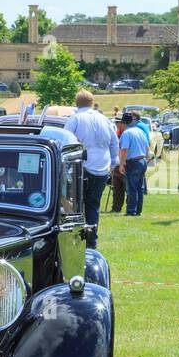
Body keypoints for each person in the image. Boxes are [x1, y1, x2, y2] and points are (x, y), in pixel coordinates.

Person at [65, 89, 120, 247]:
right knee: (93, 204)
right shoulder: (104, 119)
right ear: (91, 102)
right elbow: (114, 142)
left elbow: (65, 140)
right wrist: (113, 163)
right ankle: (91, 240)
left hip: (80, 167)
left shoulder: (75, 119)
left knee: (75, 205)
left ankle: (77, 239)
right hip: (102, 167)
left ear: (76, 103)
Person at [119, 110, 150, 216]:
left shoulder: (127, 133)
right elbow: (147, 148)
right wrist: (146, 159)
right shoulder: (140, 131)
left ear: (124, 123)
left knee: (131, 188)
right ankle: (138, 210)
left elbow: (124, 150)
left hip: (133, 162)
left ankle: (131, 210)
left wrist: (122, 163)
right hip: (142, 161)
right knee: (139, 188)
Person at [110, 115, 127, 213]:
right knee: (116, 188)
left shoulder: (125, 134)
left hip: (124, 163)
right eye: (116, 123)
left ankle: (130, 209)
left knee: (126, 187)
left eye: (118, 122)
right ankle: (116, 208)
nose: (116, 124)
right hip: (116, 164)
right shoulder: (116, 134)